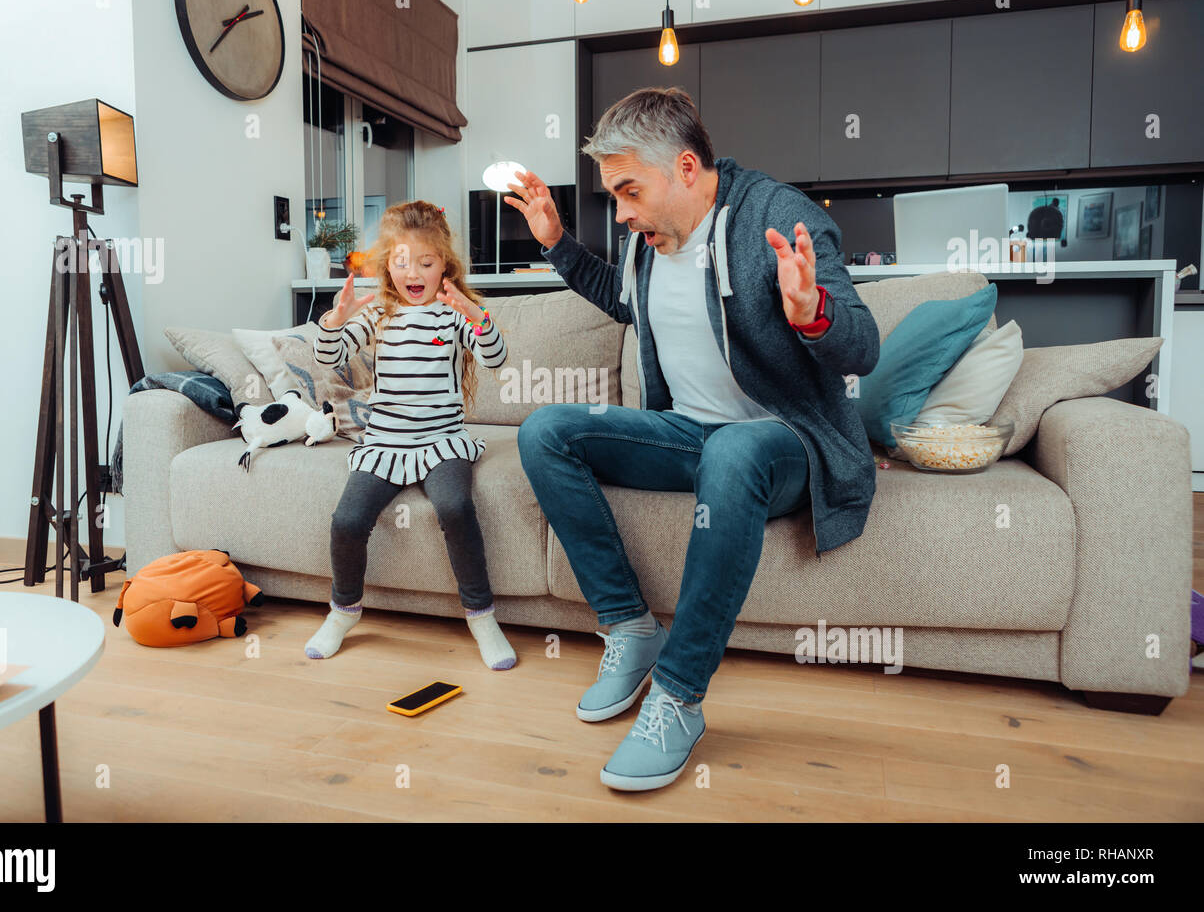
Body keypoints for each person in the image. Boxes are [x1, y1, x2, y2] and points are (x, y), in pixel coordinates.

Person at [508, 87, 881, 790]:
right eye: (613, 195)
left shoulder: (776, 214)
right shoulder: (651, 239)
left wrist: (812, 312)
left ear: (684, 169)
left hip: (783, 444)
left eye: (628, 191)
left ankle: (677, 697)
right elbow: (626, 304)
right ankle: (629, 628)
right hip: (687, 435)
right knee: (546, 430)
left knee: (735, 449)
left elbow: (863, 348)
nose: (619, 212)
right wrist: (556, 243)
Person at [303, 200, 516, 671]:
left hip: (441, 442)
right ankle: (343, 612)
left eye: (425, 262)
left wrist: (476, 317)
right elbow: (328, 355)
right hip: (385, 444)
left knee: (456, 507)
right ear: (388, 266)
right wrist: (335, 321)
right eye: (401, 262)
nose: (412, 272)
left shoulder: (451, 312)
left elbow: (496, 359)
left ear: (445, 265)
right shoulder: (379, 312)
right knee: (346, 521)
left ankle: (481, 617)